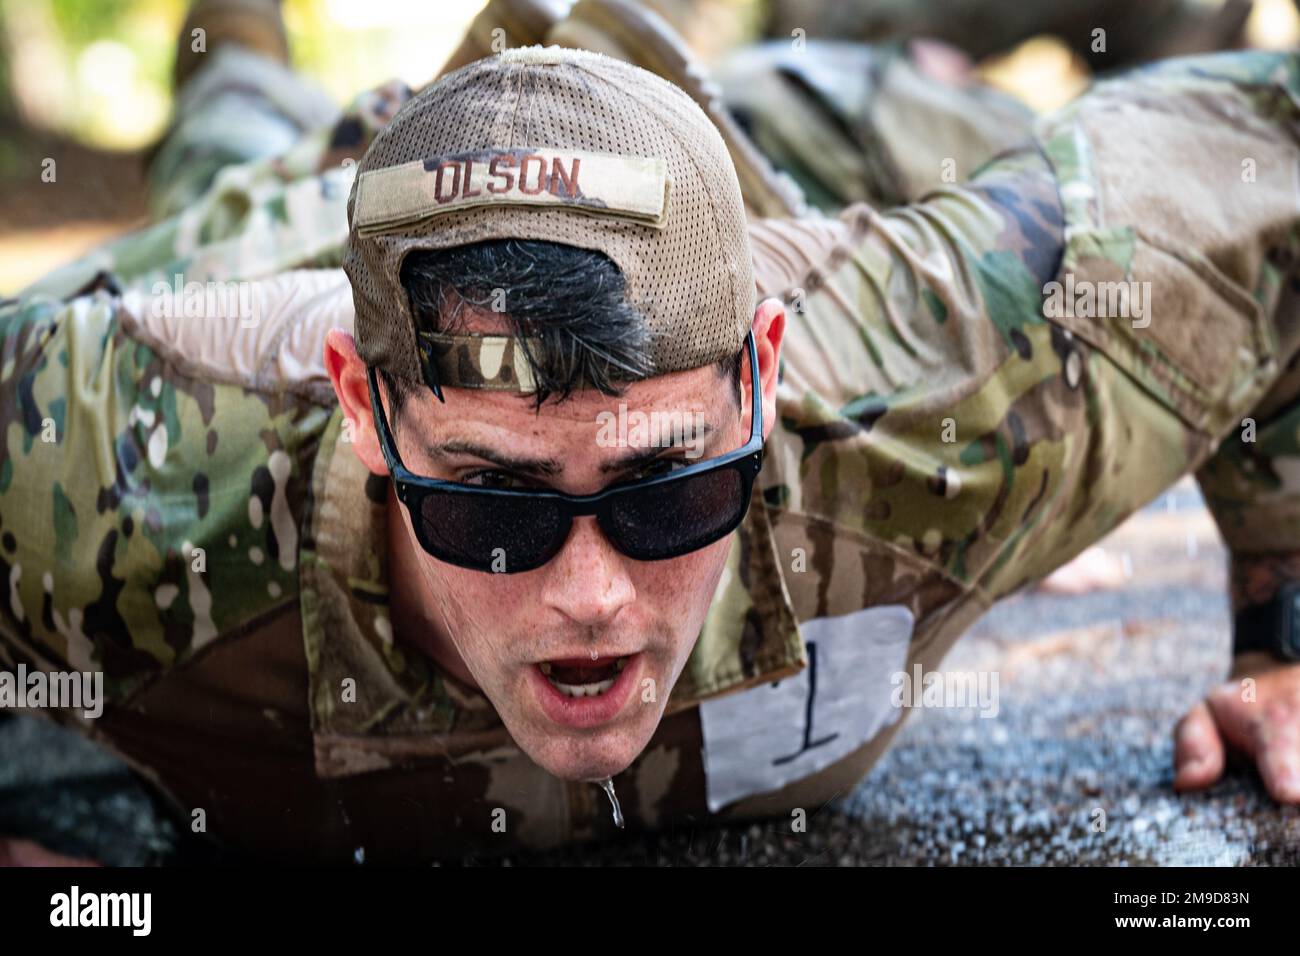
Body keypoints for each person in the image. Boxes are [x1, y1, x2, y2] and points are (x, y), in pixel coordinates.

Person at [2, 0, 1299, 864]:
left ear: (763, 376)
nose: (591, 597)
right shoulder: (115, 458)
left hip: (733, 141)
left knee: (899, 105)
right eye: (491, 503)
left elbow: (1268, 157)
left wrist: (1280, 630)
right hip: (288, 231)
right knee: (234, 134)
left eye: (666, 486)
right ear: (364, 412)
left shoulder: (942, 403)